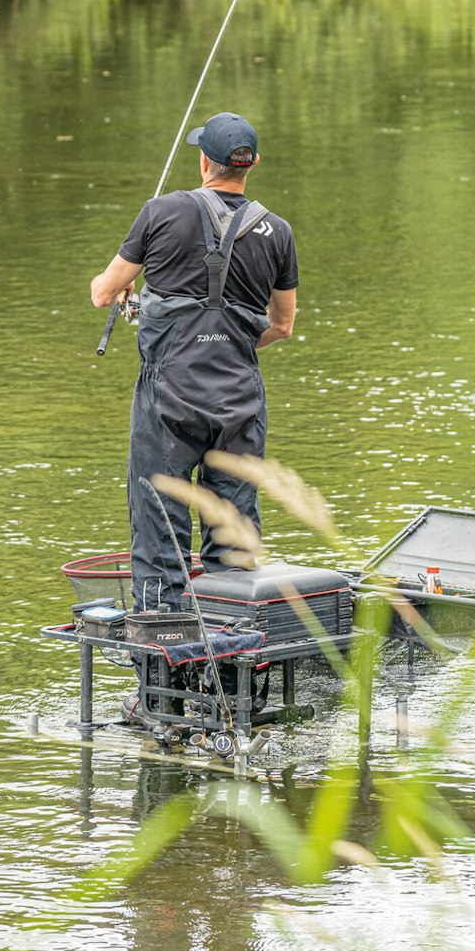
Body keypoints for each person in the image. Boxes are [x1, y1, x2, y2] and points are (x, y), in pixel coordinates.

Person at [90, 111, 298, 609]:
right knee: (234, 534)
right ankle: (236, 650)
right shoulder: (280, 232)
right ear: (251, 165)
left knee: (161, 528)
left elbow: (103, 292)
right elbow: (283, 326)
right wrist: (229, 343)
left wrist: (130, 295)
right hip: (239, 402)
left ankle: (164, 650)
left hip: (169, 399)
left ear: (204, 160)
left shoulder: (161, 211)